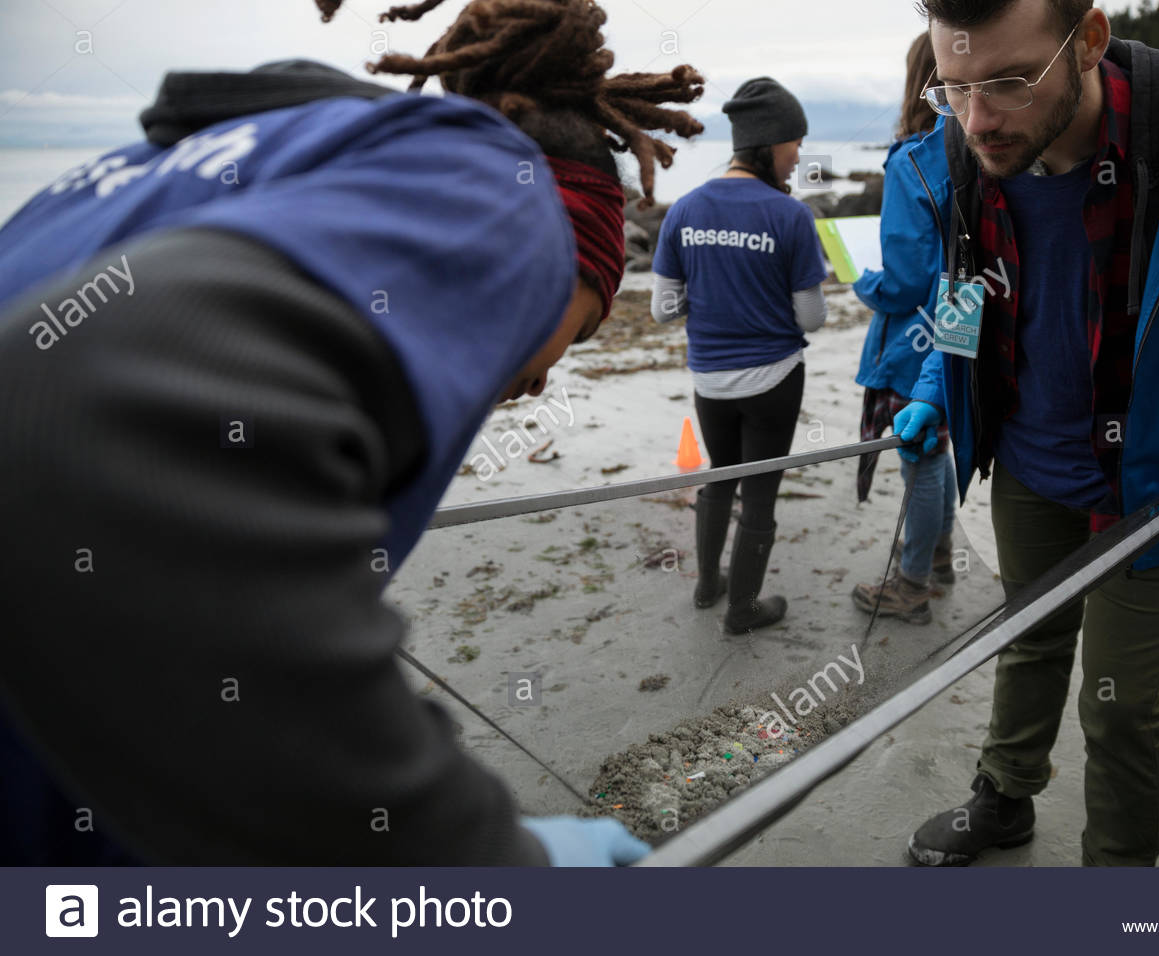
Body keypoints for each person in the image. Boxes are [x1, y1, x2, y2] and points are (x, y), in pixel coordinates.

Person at [0, 0, 704, 866]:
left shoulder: (135, 173)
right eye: (580, 327)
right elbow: (95, 406)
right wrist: (471, 867)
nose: (540, 382)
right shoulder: (503, 187)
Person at [891, 0, 1159, 866]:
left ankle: (1118, 878)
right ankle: (1004, 796)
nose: (977, 122)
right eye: (953, 89)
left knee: (1120, 704)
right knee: (1026, 634)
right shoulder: (960, 158)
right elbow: (964, 287)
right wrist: (933, 383)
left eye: (1007, 82)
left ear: (1088, 39)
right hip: (1029, 463)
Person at [650, 77, 829, 635]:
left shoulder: (685, 207)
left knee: (718, 476)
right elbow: (812, 319)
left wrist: (715, 297)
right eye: (796, 143)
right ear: (771, 143)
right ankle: (742, 610)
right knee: (760, 493)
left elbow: (662, 308)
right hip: (774, 379)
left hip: (710, 381)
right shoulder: (791, 217)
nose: (799, 156)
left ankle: (708, 585)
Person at [849, 32, 958, 627]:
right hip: (962, 330)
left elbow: (906, 278)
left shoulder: (913, 158)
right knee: (935, 448)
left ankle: (912, 583)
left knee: (917, 456)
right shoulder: (984, 147)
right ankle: (937, 557)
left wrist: (862, 281)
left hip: (913, 340)